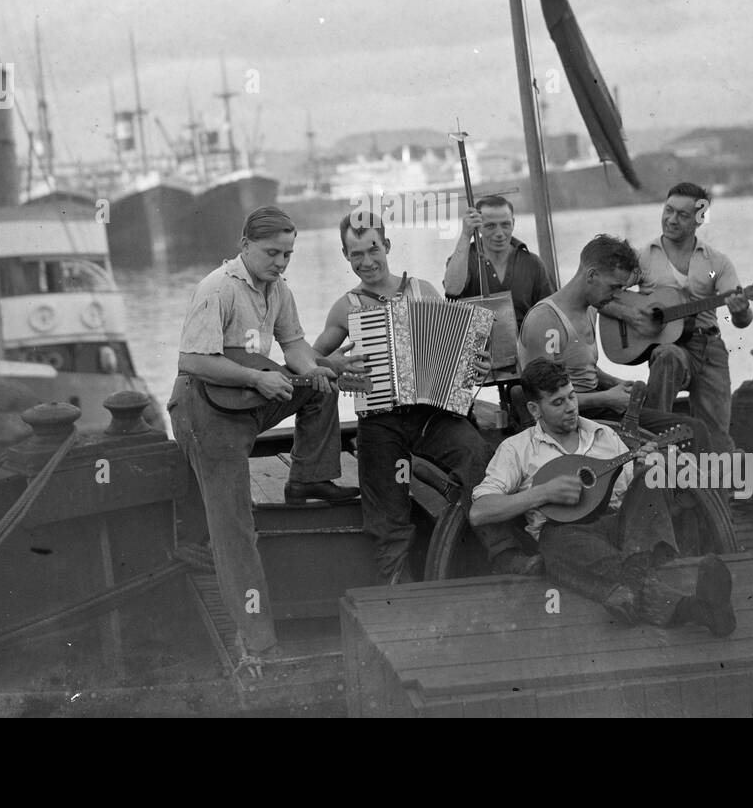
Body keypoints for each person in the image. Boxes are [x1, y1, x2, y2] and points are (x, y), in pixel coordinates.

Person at [169, 207, 363, 667]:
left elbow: (294, 347)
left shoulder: (279, 289)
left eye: (288, 253)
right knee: (235, 530)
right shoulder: (217, 289)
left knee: (319, 389)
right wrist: (257, 380)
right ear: (244, 247)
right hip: (204, 413)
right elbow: (193, 361)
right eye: (272, 252)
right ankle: (257, 642)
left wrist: (325, 368)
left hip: (246, 399)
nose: (281, 262)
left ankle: (308, 477)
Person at [312, 212, 543, 583]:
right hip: (380, 418)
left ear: (386, 246)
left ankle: (504, 554)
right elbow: (312, 362)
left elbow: (461, 363)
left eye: (373, 249)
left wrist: (477, 367)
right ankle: (396, 584)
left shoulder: (423, 291)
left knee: (476, 454)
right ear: (345, 256)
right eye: (356, 255)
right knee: (383, 495)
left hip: (430, 413)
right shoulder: (346, 308)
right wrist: (335, 364)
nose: (367, 262)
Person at [470, 358, 735, 636]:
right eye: (558, 403)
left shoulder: (604, 435)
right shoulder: (517, 449)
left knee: (649, 480)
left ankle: (630, 589)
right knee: (552, 540)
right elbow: (480, 511)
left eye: (572, 396)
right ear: (535, 409)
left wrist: (650, 465)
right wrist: (542, 493)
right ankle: (694, 608)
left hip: (623, 532)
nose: (571, 407)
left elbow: (638, 501)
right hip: (571, 538)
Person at [516, 234, 712, 452]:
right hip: (569, 421)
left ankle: (700, 486)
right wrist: (607, 398)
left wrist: (614, 383)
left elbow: (580, 369)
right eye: (614, 287)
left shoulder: (590, 308)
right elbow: (544, 398)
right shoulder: (545, 320)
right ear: (591, 275)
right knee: (681, 439)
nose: (618, 295)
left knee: (693, 429)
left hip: (597, 409)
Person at [638, 182, 752, 452]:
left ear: (699, 220)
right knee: (667, 356)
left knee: (718, 437)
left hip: (709, 347)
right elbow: (609, 297)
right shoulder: (642, 257)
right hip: (670, 348)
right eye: (668, 210)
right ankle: (652, 446)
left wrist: (741, 310)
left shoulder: (717, 262)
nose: (671, 220)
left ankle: (718, 491)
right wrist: (632, 317)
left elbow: (743, 320)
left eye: (683, 215)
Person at [442, 196, 553, 327]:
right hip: (477, 345)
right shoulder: (463, 260)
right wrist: (466, 235)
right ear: (479, 227)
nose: (499, 233)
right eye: (490, 226)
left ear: (513, 223)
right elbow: (451, 290)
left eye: (505, 224)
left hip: (525, 344)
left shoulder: (533, 263)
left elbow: (550, 313)